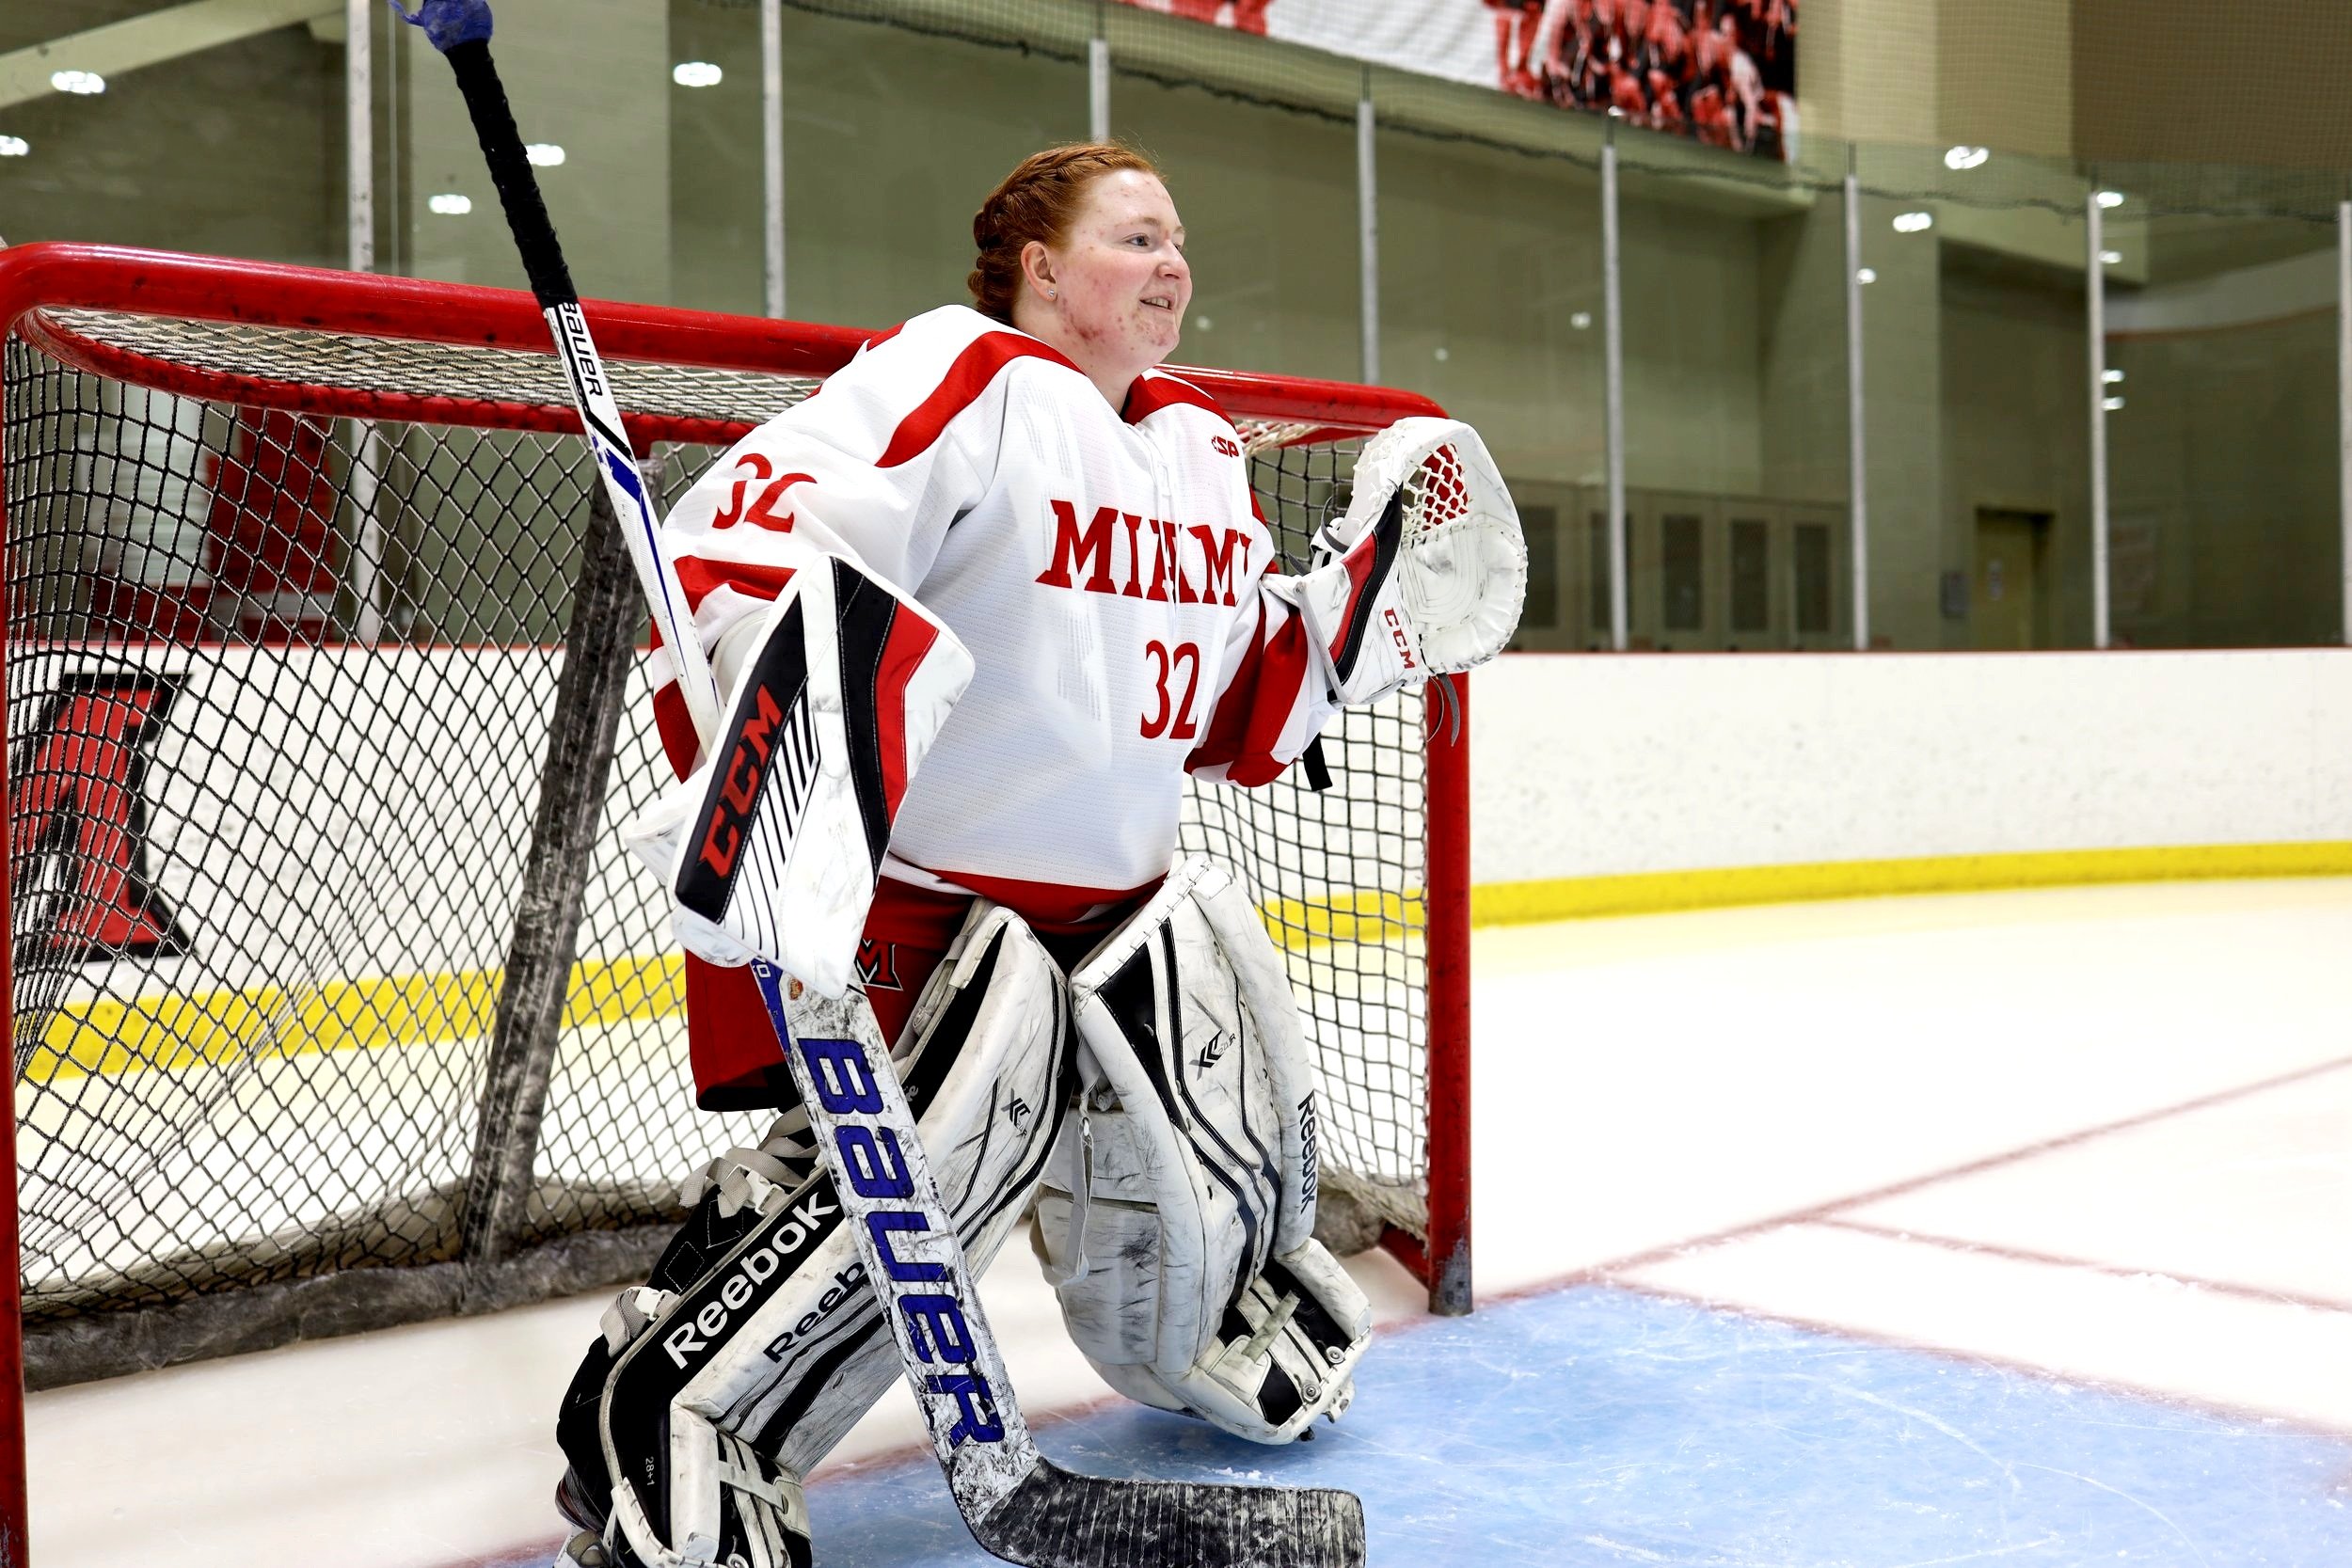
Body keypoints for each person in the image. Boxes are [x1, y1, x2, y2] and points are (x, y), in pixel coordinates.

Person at [550, 143, 1522, 1568]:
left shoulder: (1197, 445)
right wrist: (774, 689)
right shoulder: (961, 380)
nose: (1170, 263)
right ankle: (670, 1416)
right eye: (1133, 238)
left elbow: (1224, 702)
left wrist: (1340, 627)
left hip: (1118, 920)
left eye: (1178, 238)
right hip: (927, 925)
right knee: (903, 1208)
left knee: (1222, 1122)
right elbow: (748, 544)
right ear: (1041, 269)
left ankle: (1202, 1324)